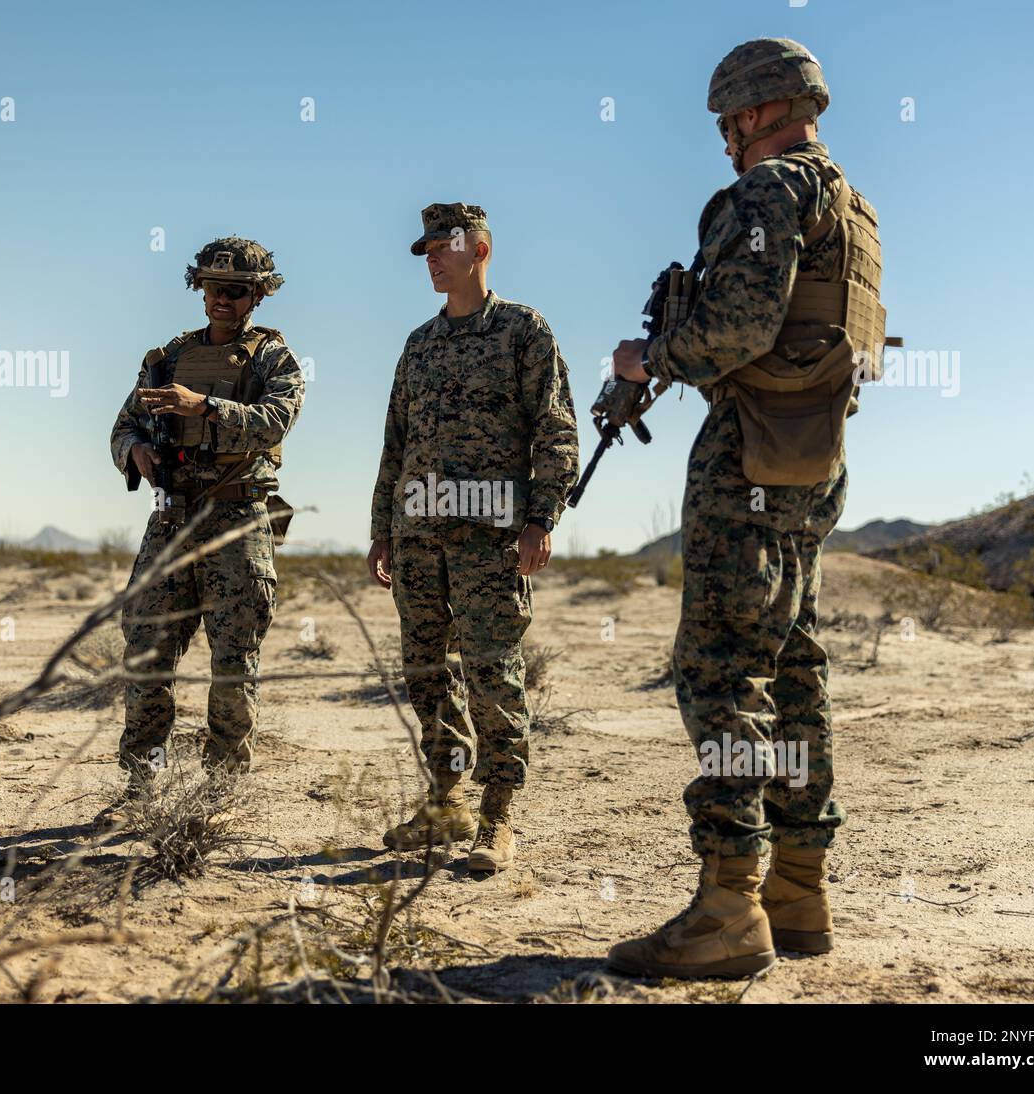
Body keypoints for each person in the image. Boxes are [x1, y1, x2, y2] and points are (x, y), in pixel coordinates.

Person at [606, 39, 887, 977]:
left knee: (722, 669)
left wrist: (647, 360)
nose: (727, 140)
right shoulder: (856, 208)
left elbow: (740, 328)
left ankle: (729, 908)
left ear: (756, 112)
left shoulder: (772, 194)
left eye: (731, 122)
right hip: (816, 460)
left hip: (748, 456)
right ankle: (797, 893)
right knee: (794, 664)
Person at [367, 203, 579, 872]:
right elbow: (395, 445)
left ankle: (498, 816)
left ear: (479, 249)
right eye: (425, 249)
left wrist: (542, 517)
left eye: (443, 246)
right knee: (427, 673)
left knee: (493, 673)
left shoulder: (523, 331)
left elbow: (556, 430)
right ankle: (447, 800)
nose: (431, 258)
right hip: (418, 536)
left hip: (490, 539)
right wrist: (382, 532)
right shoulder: (418, 345)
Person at [104, 237, 305, 817]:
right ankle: (141, 787)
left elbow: (274, 423)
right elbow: (123, 425)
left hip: (236, 522)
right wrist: (136, 451)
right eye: (213, 288)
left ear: (258, 296)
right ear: (200, 289)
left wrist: (205, 408)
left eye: (236, 292)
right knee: (146, 652)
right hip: (170, 518)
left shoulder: (274, 359)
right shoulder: (168, 357)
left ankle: (221, 792)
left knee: (233, 661)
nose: (222, 300)